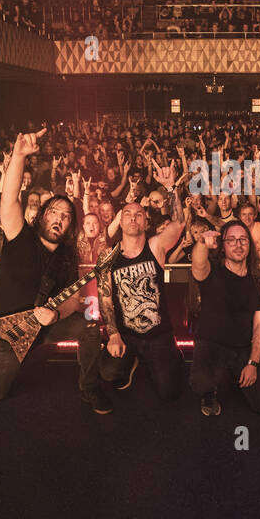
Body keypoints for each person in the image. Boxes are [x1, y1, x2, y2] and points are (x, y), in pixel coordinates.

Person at [0, 129, 105, 407]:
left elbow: (73, 299)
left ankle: (90, 387)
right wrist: (19, 155)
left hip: (44, 325)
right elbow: (9, 199)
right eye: (54, 212)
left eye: (66, 216)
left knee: (90, 324)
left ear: (71, 226)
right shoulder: (20, 236)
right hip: (9, 331)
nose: (59, 219)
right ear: (42, 216)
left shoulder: (67, 256)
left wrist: (57, 314)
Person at [98, 157, 187, 406]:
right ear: (120, 220)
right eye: (128, 214)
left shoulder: (155, 246)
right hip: (127, 335)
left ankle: (173, 355)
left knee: (170, 394)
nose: (134, 218)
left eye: (139, 214)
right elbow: (105, 300)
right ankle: (132, 361)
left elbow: (179, 223)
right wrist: (113, 335)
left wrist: (171, 189)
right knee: (108, 373)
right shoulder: (108, 256)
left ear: (147, 222)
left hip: (159, 335)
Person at [190, 222, 260, 417]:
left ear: (250, 245)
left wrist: (253, 364)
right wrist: (203, 243)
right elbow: (198, 264)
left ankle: (232, 377)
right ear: (223, 246)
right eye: (231, 240)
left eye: (243, 240)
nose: (238, 245)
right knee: (200, 383)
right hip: (212, 346)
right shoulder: (212, 271)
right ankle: (211, 388)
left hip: (242, 349)